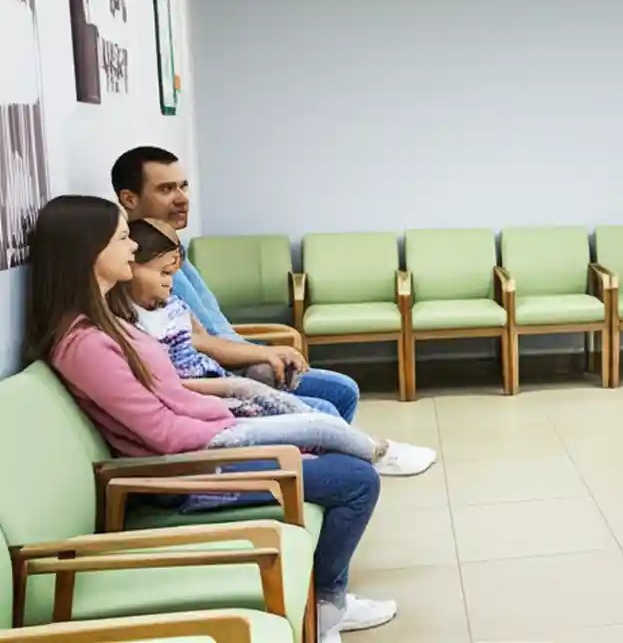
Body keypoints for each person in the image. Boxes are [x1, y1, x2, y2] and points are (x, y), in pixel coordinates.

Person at [24, 195, 396, 643]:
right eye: (123, 238)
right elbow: (161, 434)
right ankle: (327, 607)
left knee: (333, 447)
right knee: (355, 479)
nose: (131, 249)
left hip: (199, 449)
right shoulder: (84, 343)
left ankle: (325, 599)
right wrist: (242, 432)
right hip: (180, 475)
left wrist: (234, 408)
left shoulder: (110, 322)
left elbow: (171, 396)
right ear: (90, 251)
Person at [110, 145, 435, 476]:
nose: (181, 197)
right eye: (166, 189)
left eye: (183, 186)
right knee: (332, 398)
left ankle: (344, 464)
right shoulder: (143, 270)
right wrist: (262, 356)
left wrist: (260, 352)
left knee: (340, 391)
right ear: (129, 199)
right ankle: (344, 466)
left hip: (233, 359)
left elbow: (200, 331)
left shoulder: (172, 250)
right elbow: (188, 345)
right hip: (221, 372)